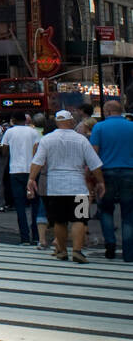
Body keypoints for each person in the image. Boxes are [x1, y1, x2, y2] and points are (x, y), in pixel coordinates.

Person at [29, 110, 105, 263]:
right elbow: (94, 164)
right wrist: (101, 181)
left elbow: (37, 162)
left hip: (55, 187)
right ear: (71, 122)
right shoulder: (82, 140)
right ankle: (77, 251)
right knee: (80, 219)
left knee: (59, 220)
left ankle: (62, 250)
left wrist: (31, 179)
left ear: (57, 122)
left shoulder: (47, 139)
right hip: (79, 187)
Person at [90, 100, 133, 261]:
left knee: (106, 210)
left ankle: (110, 245)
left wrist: (93, 175)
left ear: (107, 111)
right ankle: (129, 252)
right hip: (129, 171)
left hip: (106, 173)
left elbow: (94, 154)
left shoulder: (99, 127)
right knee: (128, 213)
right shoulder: (131, 126)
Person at [0, 110, 42, 244]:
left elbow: (4, 151)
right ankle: (36, 236)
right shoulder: (33, 132)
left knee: (20, 205)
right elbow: (38, 149)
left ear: (13, 119)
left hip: (15, 170)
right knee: (35, 203)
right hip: (32, 170)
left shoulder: (9, 132)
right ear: (26, 120)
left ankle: (24, 237)